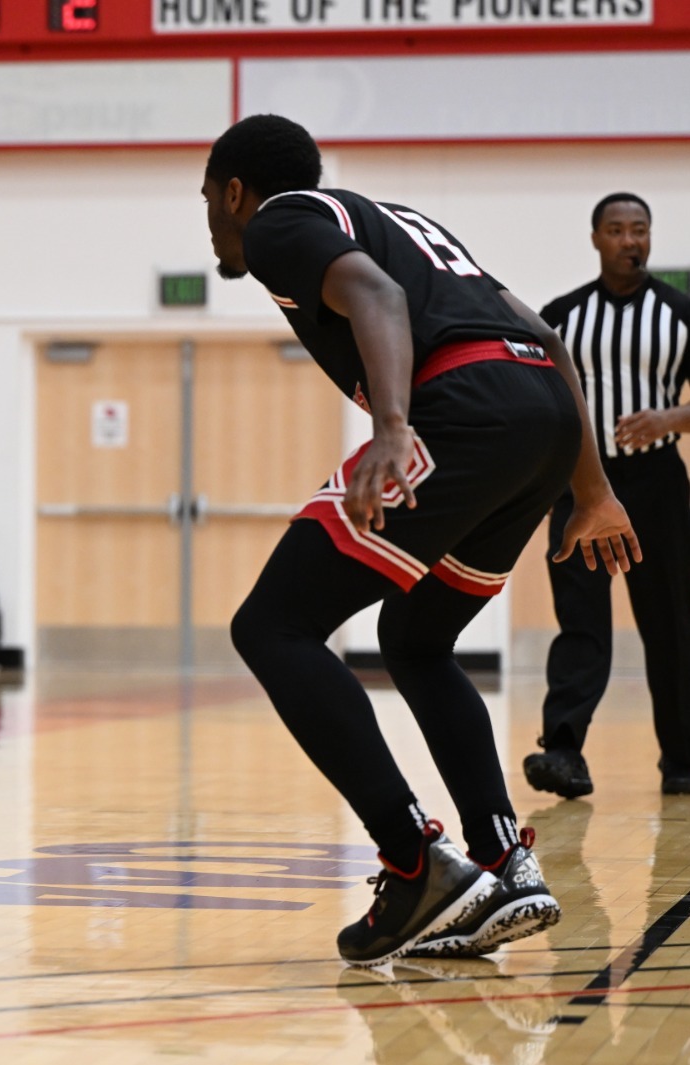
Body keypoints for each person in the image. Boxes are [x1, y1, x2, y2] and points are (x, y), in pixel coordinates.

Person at [205, 114, 640, 964]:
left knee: (272, 625)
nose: (215, 225)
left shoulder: (280, 220)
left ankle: (414, 866)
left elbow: (376, 296)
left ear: (232, 192)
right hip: (540, 418)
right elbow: (549, 341)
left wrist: (396, 427)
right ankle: (505, 860)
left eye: (208, 204)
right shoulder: (403, 219)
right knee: (416, 637)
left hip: (461, 410)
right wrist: (591, 487)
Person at [523, 194, 690, 800]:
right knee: (581, 623)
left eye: (639, 229)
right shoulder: (560, 317)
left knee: (673, 622)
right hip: (580, 488)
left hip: (658, 486)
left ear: (651, 236)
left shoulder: (680, 312)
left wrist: (672, 417)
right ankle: (563, 752)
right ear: (596, 239)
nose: (629, 240)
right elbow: (533, 397)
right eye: (616, 230)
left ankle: (682, 758)